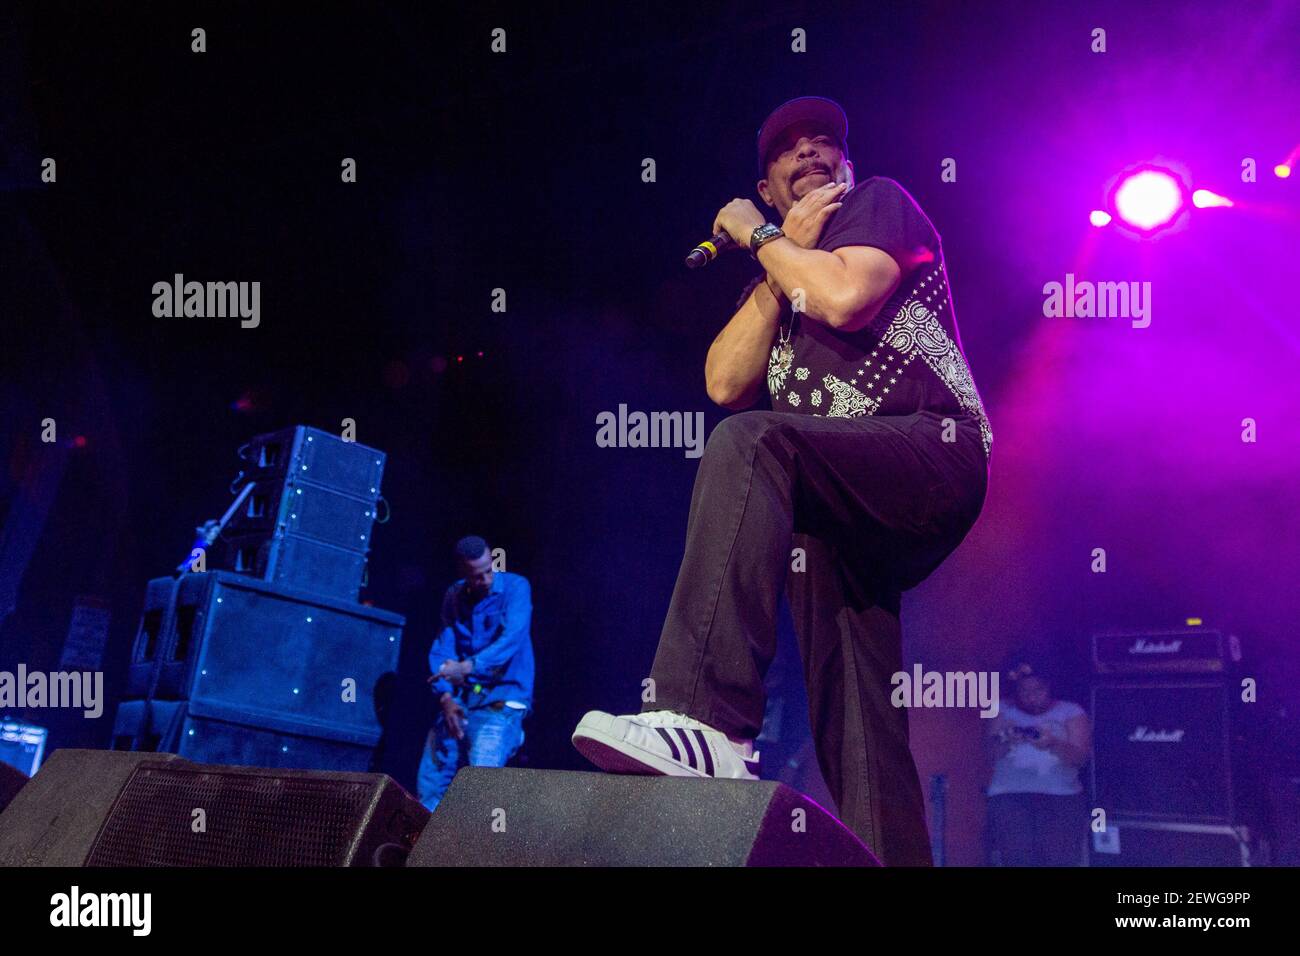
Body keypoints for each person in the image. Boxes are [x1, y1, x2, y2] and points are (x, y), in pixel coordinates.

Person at [571, 96, 992, 865]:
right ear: (768, 186)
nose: (809, 155)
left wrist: (760, 236)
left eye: (824, 143)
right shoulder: (778, 276)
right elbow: (724, 379)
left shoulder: (877, 205)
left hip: (932, 449)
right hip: (843, 501)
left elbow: (841, 295)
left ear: (846, 164)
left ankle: (707, 720)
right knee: (856, 709)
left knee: (752, 446)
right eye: (787, 151)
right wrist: (771, 263)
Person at [416, 536, 534, 812]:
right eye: (476, 576)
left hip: (500, 699)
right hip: (461, 702)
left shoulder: (516, 587)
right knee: (431, 785)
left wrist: (466, 667)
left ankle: (468, 852)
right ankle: (425, 851)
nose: (486, 579)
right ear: (462, 573)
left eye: (489, 570)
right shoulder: (454, 595)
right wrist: (445, 698)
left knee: (478, 789)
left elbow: (511, 639)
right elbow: (442, 648)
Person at [985, 657, 1091, 866]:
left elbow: (1080, 758)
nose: (1031, 697)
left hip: (1060, 797)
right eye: (1024, 691)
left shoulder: (1070, 711)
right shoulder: (1002, 709)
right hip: (1010, 796)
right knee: (1017, 860)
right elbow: (988, 755)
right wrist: (1006, 738)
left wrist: (1052, 744)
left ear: (1049, 688)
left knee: (1060, 860)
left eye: (1038, 690)